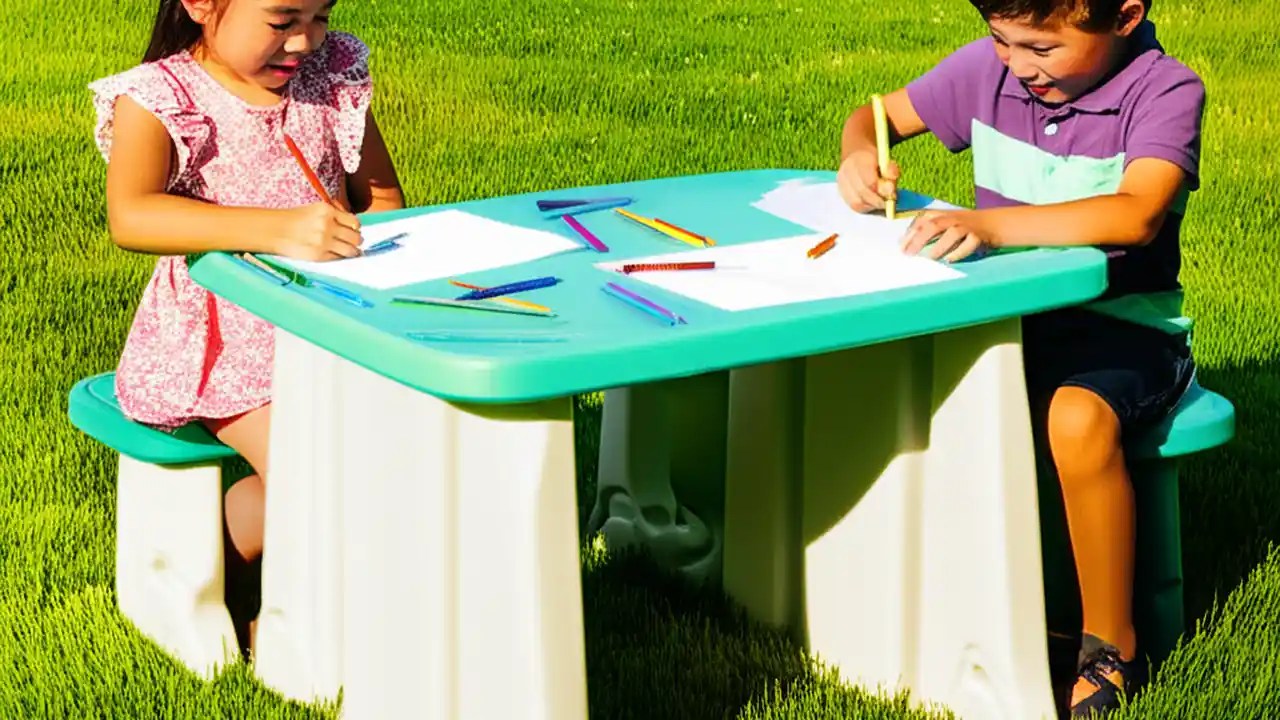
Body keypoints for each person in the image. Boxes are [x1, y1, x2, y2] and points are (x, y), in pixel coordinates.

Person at [836, 0, 1203, 715]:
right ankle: (926, 593)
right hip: (1003, 320)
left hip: (1125, 329)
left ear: (1125, 16)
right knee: (887, 378)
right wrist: (860, 153)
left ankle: (1109, 645)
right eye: (1003, 41)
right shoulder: (987, 69)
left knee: (1074, 419)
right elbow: (875, 114)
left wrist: (990, 226)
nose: (1018, 64)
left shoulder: (1165, 90)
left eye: (1041, 47)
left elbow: (1136, 212)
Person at [88, 0, 405, 654]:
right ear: (202, 4)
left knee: (399, 454)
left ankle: (228, 548)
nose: (305, 40)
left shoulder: (333, 74)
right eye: (282, 19)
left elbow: (381, 196)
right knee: (318, 466)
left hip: (335, 318)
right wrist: (277, 228)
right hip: (225, 341)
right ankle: (280, 625)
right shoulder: (159, 97)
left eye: (321, 15)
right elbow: (133, 215)